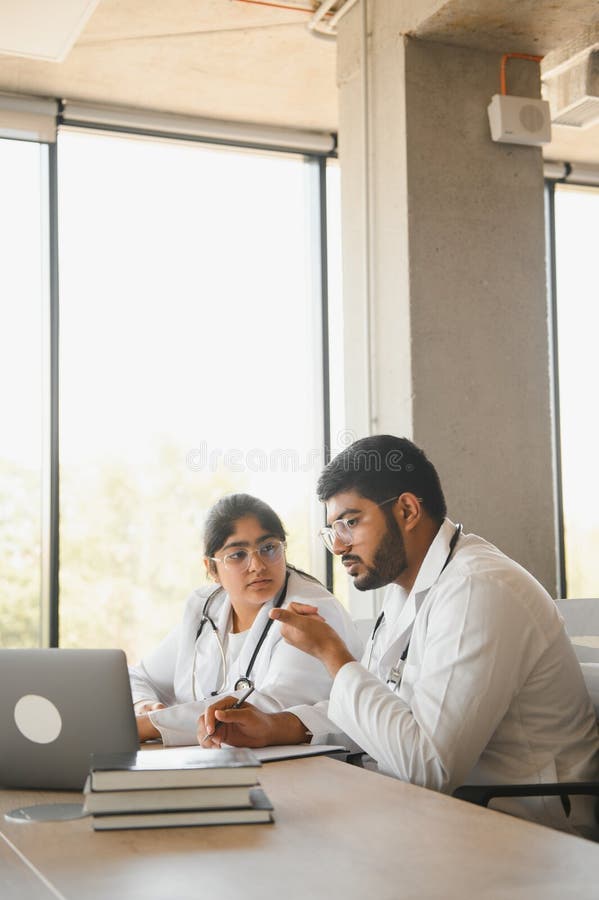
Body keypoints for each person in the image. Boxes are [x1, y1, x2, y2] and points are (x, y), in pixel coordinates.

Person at [199, 436, 599, 834]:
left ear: (407, 510)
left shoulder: (479, 588)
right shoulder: (406, 588)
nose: (338, 547)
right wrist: (275, 727)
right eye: (333, 529)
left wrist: (333, 656)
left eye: (350, 523)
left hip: (520, 831)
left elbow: (428, 767)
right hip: (436, 813)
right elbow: (383, 712)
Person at [130, 493, 362, 746]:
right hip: (219, 763)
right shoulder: (206, 608)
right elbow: (139, 677)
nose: (257, 565)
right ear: (211, 568)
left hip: (303, 767)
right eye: (238, 555)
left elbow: (272, 709)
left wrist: (153, 725)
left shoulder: (309, 609)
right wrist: (144, 706)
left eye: (269, 548)